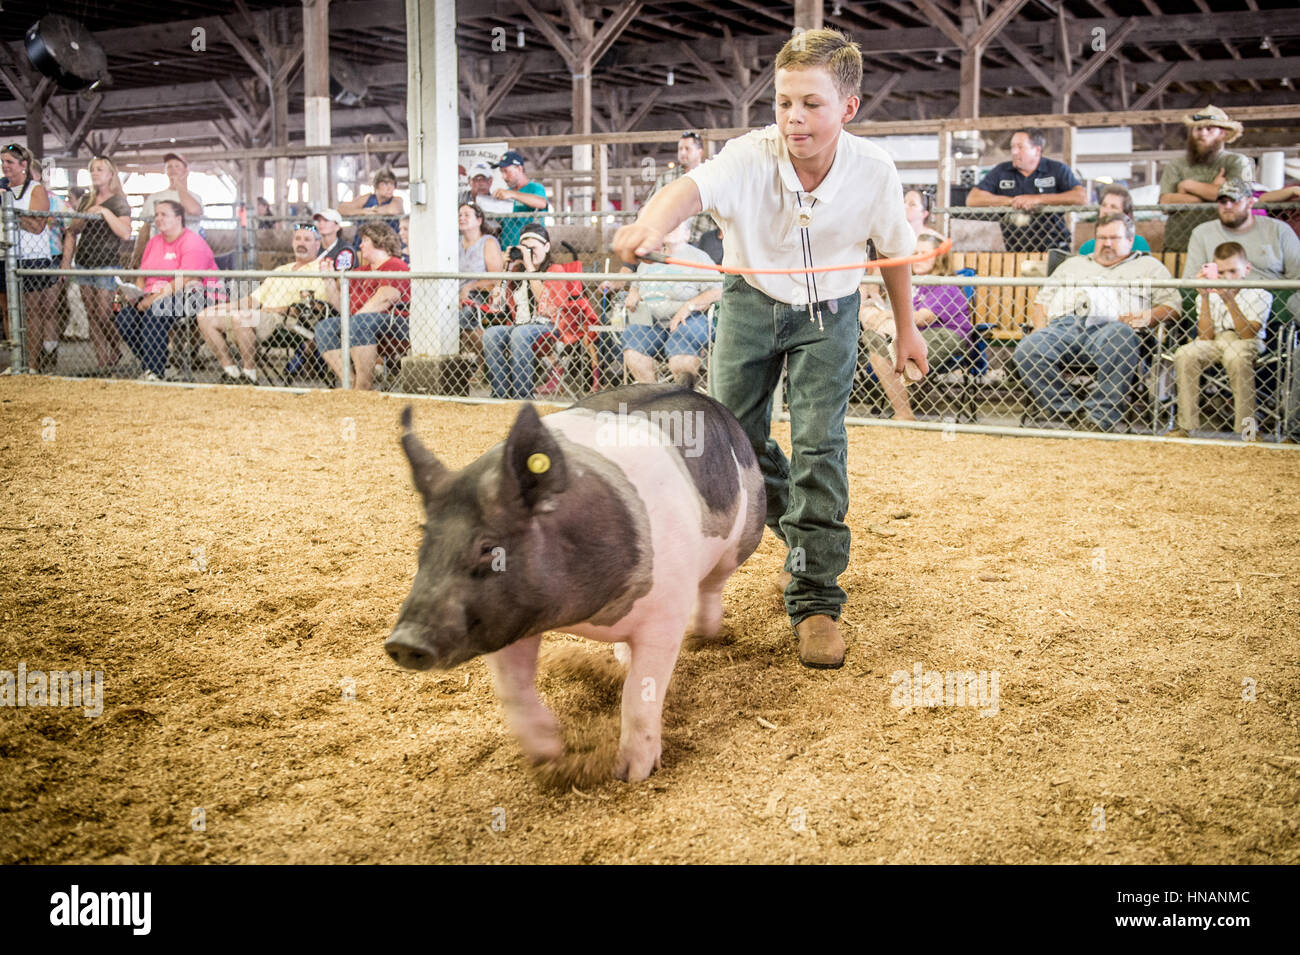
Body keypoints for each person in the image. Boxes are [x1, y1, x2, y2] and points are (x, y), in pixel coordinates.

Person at [612, 28, 924, 669]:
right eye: (783, 102)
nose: (793, 118)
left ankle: (814, 598)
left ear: (848, 107)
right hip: (750, 303)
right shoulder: (748, 155)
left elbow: (893, 251)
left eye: (810, 103)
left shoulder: (876, 171)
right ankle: (799, 536)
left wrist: (907, 326)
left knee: (819, 442)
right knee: (735, 444)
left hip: (831, 311)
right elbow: (691, 190)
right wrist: (650, 223)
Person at [1014, 214, 1180, 432]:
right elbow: (1041, 302)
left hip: (1114, 327)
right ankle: (1070, 411)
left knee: (1120, 338)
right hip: (1064, 326)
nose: (1107, 243)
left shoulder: (1149, 266)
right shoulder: (1072, 264)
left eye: (1114, 237)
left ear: (1130, 241)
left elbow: (1173, 306)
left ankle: (1098, 419)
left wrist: (1146, 317)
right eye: (1101, 238)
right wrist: (1039, 327)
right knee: (1028, 348)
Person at [195, 224, 325, 385]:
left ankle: (250, 374)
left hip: (286, 322)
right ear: (292, 242)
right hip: (258, 316)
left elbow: (313, 307)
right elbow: (253, 300)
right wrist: (220, 308)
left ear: (317, 245)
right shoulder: (281, 270)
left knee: (240, 318)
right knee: (205, 316)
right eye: (298, 238)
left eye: (307, 239)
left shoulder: (320, 270)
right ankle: (231, 371)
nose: (301, 243)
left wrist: (277, 309)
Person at [859, 233, 970, 420]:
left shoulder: (945, 285)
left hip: (945, 335)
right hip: (912, 334)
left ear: (939, 257)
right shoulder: (912, 283)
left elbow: (922, 318)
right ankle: (885, 347)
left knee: (880, 348)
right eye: (915, 252)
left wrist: (886, 316)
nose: (918, 257)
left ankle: (904, 412)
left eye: (924, 253)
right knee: (874, 340)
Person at [1170, 242, 1271, 437]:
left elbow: (1247, 334)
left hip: (1245, 341)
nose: (1227, 278)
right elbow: (1204, 337)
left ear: (1246, 269)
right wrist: (1205, 298)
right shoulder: (1210, 293)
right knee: (1185, 354)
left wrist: (1229, 299)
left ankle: (1248, 430)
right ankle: (1186, 426)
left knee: (1237, 357)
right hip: (1215, 340)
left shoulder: (1260, 294)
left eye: (1233, 271)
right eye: (1221, 272)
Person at [116, 200, 220, 381]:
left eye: (164, 214)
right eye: (156, 214)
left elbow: (186, 279)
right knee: (125, 318)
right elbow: (143, 274)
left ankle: (155, 371)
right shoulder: (153, 242)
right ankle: (160, 364)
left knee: (156, 312)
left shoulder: (192, 242)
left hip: (195, 295)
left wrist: (151, 300)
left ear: (178, 218)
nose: (158, 218)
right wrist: (135, 293)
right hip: (156, 296)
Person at [482, 223, 578, 399]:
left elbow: (548, 307)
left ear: (546, 247)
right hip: (521, 326)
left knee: (520, 333)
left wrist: (530, 267)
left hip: (549, 328)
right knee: (491, 334)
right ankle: (500, 394)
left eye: (533, 248)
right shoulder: (517, 273)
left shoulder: (555, 270)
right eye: (525, 249)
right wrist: (505, 268)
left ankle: (522, 396)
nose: (529, 253)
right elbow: (497, 304)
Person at [621, 219, 720, 385]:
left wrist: (688, 307)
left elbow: (718, 290)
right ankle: (654, 399)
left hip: (689, 319)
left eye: (676, 226)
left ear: (687, 234)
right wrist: (633, 293)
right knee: (633, 346)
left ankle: (683, 403)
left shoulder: (697, 258)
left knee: (680, 358)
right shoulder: (651, 257)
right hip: (652, 322)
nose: (669, 228)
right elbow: (636, 285)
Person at [313, 222, 410, 390]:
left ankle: (364, 385)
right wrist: (328, 280)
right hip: (361, 325)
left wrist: (354, 319)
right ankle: (349, 381)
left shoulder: (395, 265)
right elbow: (342, 306)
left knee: (359, 322)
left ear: (380, 241)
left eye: (365, 240)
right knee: (325, 327)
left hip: (396, 324)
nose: (360, 245)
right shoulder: (361, 271)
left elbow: (387, 296)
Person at [60, 156, 133, 373]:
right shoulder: (86, 199)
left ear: (111, 174)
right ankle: (102, 362)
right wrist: (66, 262)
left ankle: (117, 347)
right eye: (92, 169)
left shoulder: (119, 201)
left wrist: (104, 212)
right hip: (84, 261)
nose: (95, 173)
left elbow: (125, 233)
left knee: (103, 313)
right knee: (91, 313)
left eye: (100, 169)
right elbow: (73, 231)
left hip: (107, 262)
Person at [967, 129, 1086, 252]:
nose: (1014, 152)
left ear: (1037, 150)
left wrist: (1037, 199)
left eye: (1020, 147)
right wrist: (1013, 201)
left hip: (1052, 245)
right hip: (1011, 247)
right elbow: (973, 199)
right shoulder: (1001, 171)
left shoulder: (1057, 169)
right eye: (1012, 147)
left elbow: (1080, 197)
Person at [0, 144, 62, 373]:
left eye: (10, 162)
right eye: (3, 162)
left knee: (32, 310)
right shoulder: (2, 188)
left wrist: (9, 210)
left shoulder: (35, 189)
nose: (5, 166)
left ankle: (32, 364)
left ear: (23, 165)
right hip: (5, 254)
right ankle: (17, 360)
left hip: (31, 256)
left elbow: (37, 226)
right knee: (7, 309)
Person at [1158, 106, 1255, 253]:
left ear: (1222, 133)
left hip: (1224, 245)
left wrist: (1188, 185)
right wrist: (1213, 193)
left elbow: (1236, 198)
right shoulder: (1176, 165)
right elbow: (1165, 203)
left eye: (1209, 129)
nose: (1202, 133)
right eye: (1198, 129)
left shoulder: (1236, 162)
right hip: (1179, 245)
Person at [1183, 178, 1300, 285]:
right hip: (1220, 296)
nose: (1228, 206)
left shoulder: (1279, 229)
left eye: (1235, 200)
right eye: (1223, 201)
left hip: (1274, 297)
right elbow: (1192, 277)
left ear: (1250, 203)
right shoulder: (1201, 233)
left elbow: (1297, 275)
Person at [651, 131, 722, 262]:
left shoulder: (710, 178)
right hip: (672, 241)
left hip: (703, 239)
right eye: (680, 149)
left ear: (700, 152)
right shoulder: (667, 178)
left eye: (687, 149)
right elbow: (652, 206)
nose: (683, 153)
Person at [132, 152, 205, 267]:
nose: (173, 169)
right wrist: (137, 254)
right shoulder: (154, 197)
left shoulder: (194, 198)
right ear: (165, 171)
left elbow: (194, 210)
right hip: (159, 253)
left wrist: (179, 185)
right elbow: (146, 227)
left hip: (186, 252)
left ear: (186, 171)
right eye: (169, 166)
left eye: (177, 166)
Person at [458, 202, 504, 368]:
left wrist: (470, 287)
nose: (461, 218)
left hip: (481, 295)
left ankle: (486, 361)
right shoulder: (455, 243)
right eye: (460, 215)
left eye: (466, 215)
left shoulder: (488, 242)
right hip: (454, 295)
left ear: (479, 220)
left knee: (464, 316)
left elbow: (496, 277)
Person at [490, 150, 548, 249]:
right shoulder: (506, 194)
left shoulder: (535, 188)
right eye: (501, 172)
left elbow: (542, 203)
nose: (503, 176)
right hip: (507, 249)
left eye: (506, 171)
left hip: (529, 249)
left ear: (519, 169)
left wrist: (512, 194)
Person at [1078, 185, 1150, 255]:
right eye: (1104, 205)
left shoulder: (1138, 244)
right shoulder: (1087, 248)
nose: (1106, 211)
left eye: (1113, 207)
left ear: (1126, 214)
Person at [339, 168, 403, 235]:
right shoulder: (368, 198)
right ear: (376, 186)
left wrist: (371, 211)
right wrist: (362, 211)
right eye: (385, 184)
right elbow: (341, 209)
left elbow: (392, 210)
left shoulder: (397, 200)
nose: (389, 188)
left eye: (392, 184)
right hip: (364, 239)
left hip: (388, 240)